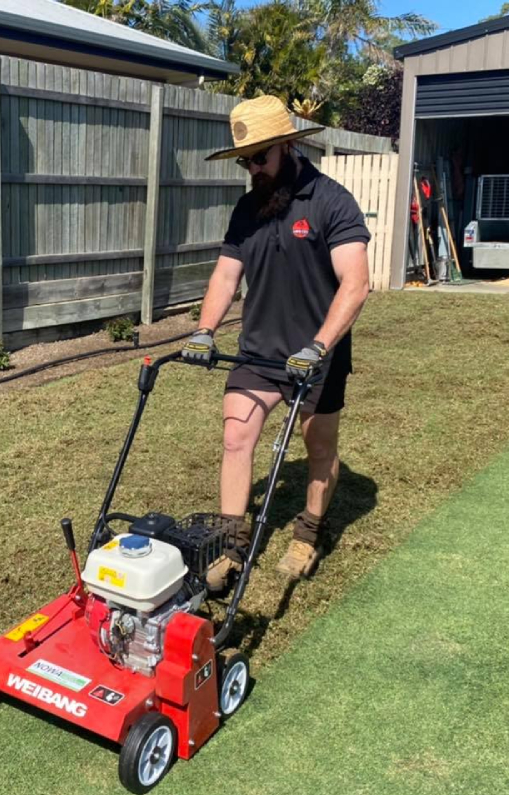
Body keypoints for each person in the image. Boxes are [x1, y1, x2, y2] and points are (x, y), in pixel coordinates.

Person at [182, 95, 371, 586]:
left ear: (287, 146)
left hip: (318, 356)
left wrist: (320, 345)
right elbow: (226, 278)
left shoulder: (331, 200)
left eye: (259, 156)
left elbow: (356, 283)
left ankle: (308, 534)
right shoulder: (248, 209)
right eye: (245, 159)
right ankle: (231, 546)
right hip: (260, 351)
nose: (251, 167)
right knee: (235, 436)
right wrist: (204, 329)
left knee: (319, 448)